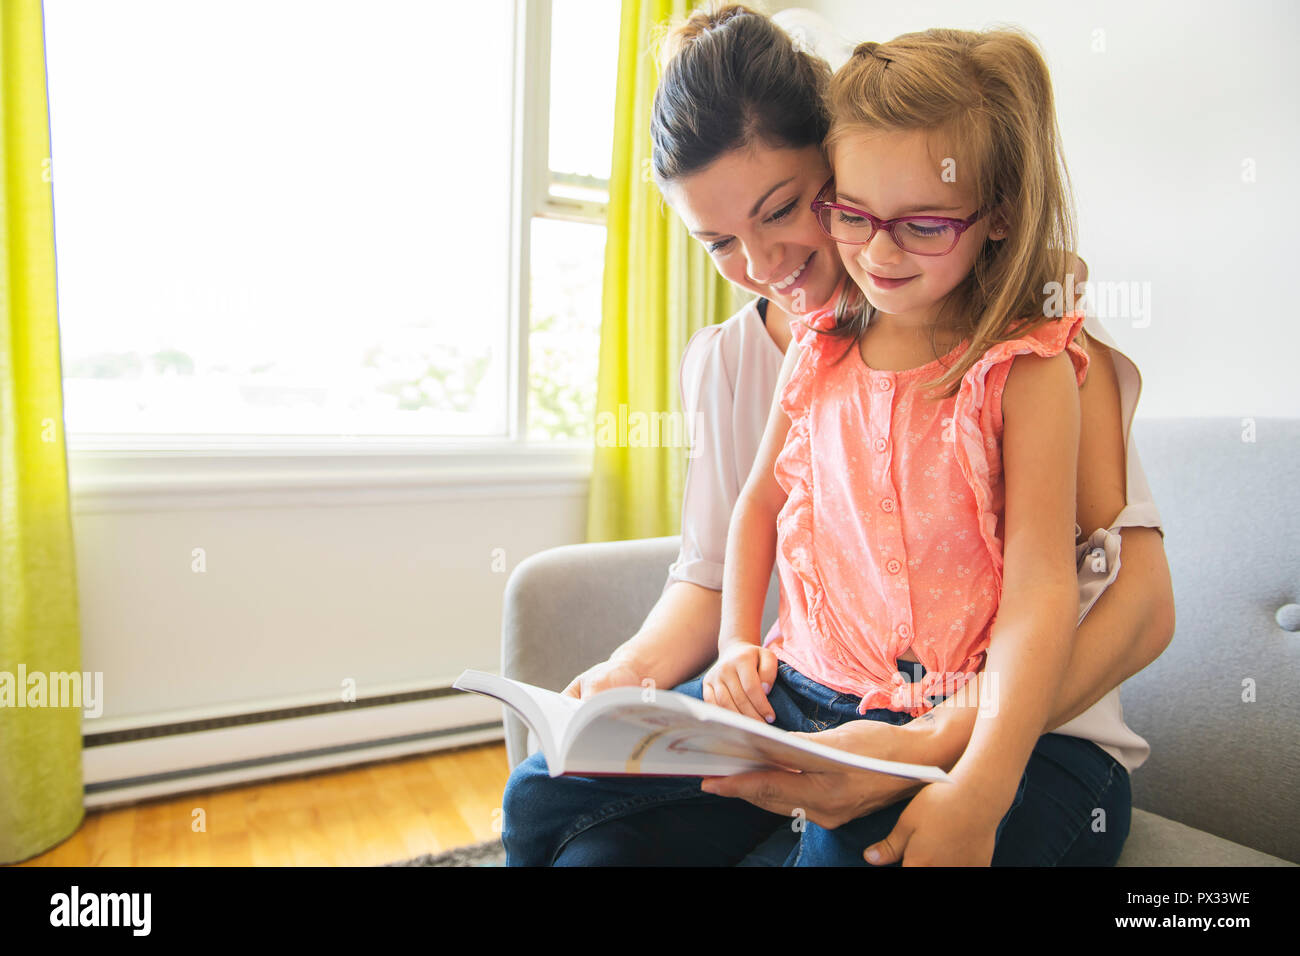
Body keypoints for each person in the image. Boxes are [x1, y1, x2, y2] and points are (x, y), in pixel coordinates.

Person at [502, 5, 1173, 867]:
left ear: (837, 154)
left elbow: (1127, 600)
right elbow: (716, 561)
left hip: (1006, 717)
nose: (762, 265)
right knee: (567, 820)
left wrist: (942, 747)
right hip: (813, 694)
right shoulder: (766, 353)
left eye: (783, 209)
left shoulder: (1034, 346)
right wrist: (630, 677)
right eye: (717, 243)